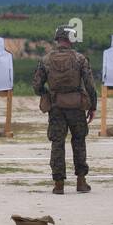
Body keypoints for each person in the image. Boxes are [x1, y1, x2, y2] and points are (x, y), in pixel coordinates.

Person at [34, 27, 97, 193]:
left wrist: (47, 94)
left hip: (56, 107)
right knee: (79, 142)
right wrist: (93, 106)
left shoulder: (46, 59)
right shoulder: (80, 59)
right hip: (76, 107)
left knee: (57, 143)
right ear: (70, 39)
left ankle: (59, 184)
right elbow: (90, 85)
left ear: (57, 39)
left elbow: (36, 85)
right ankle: (81, 182)